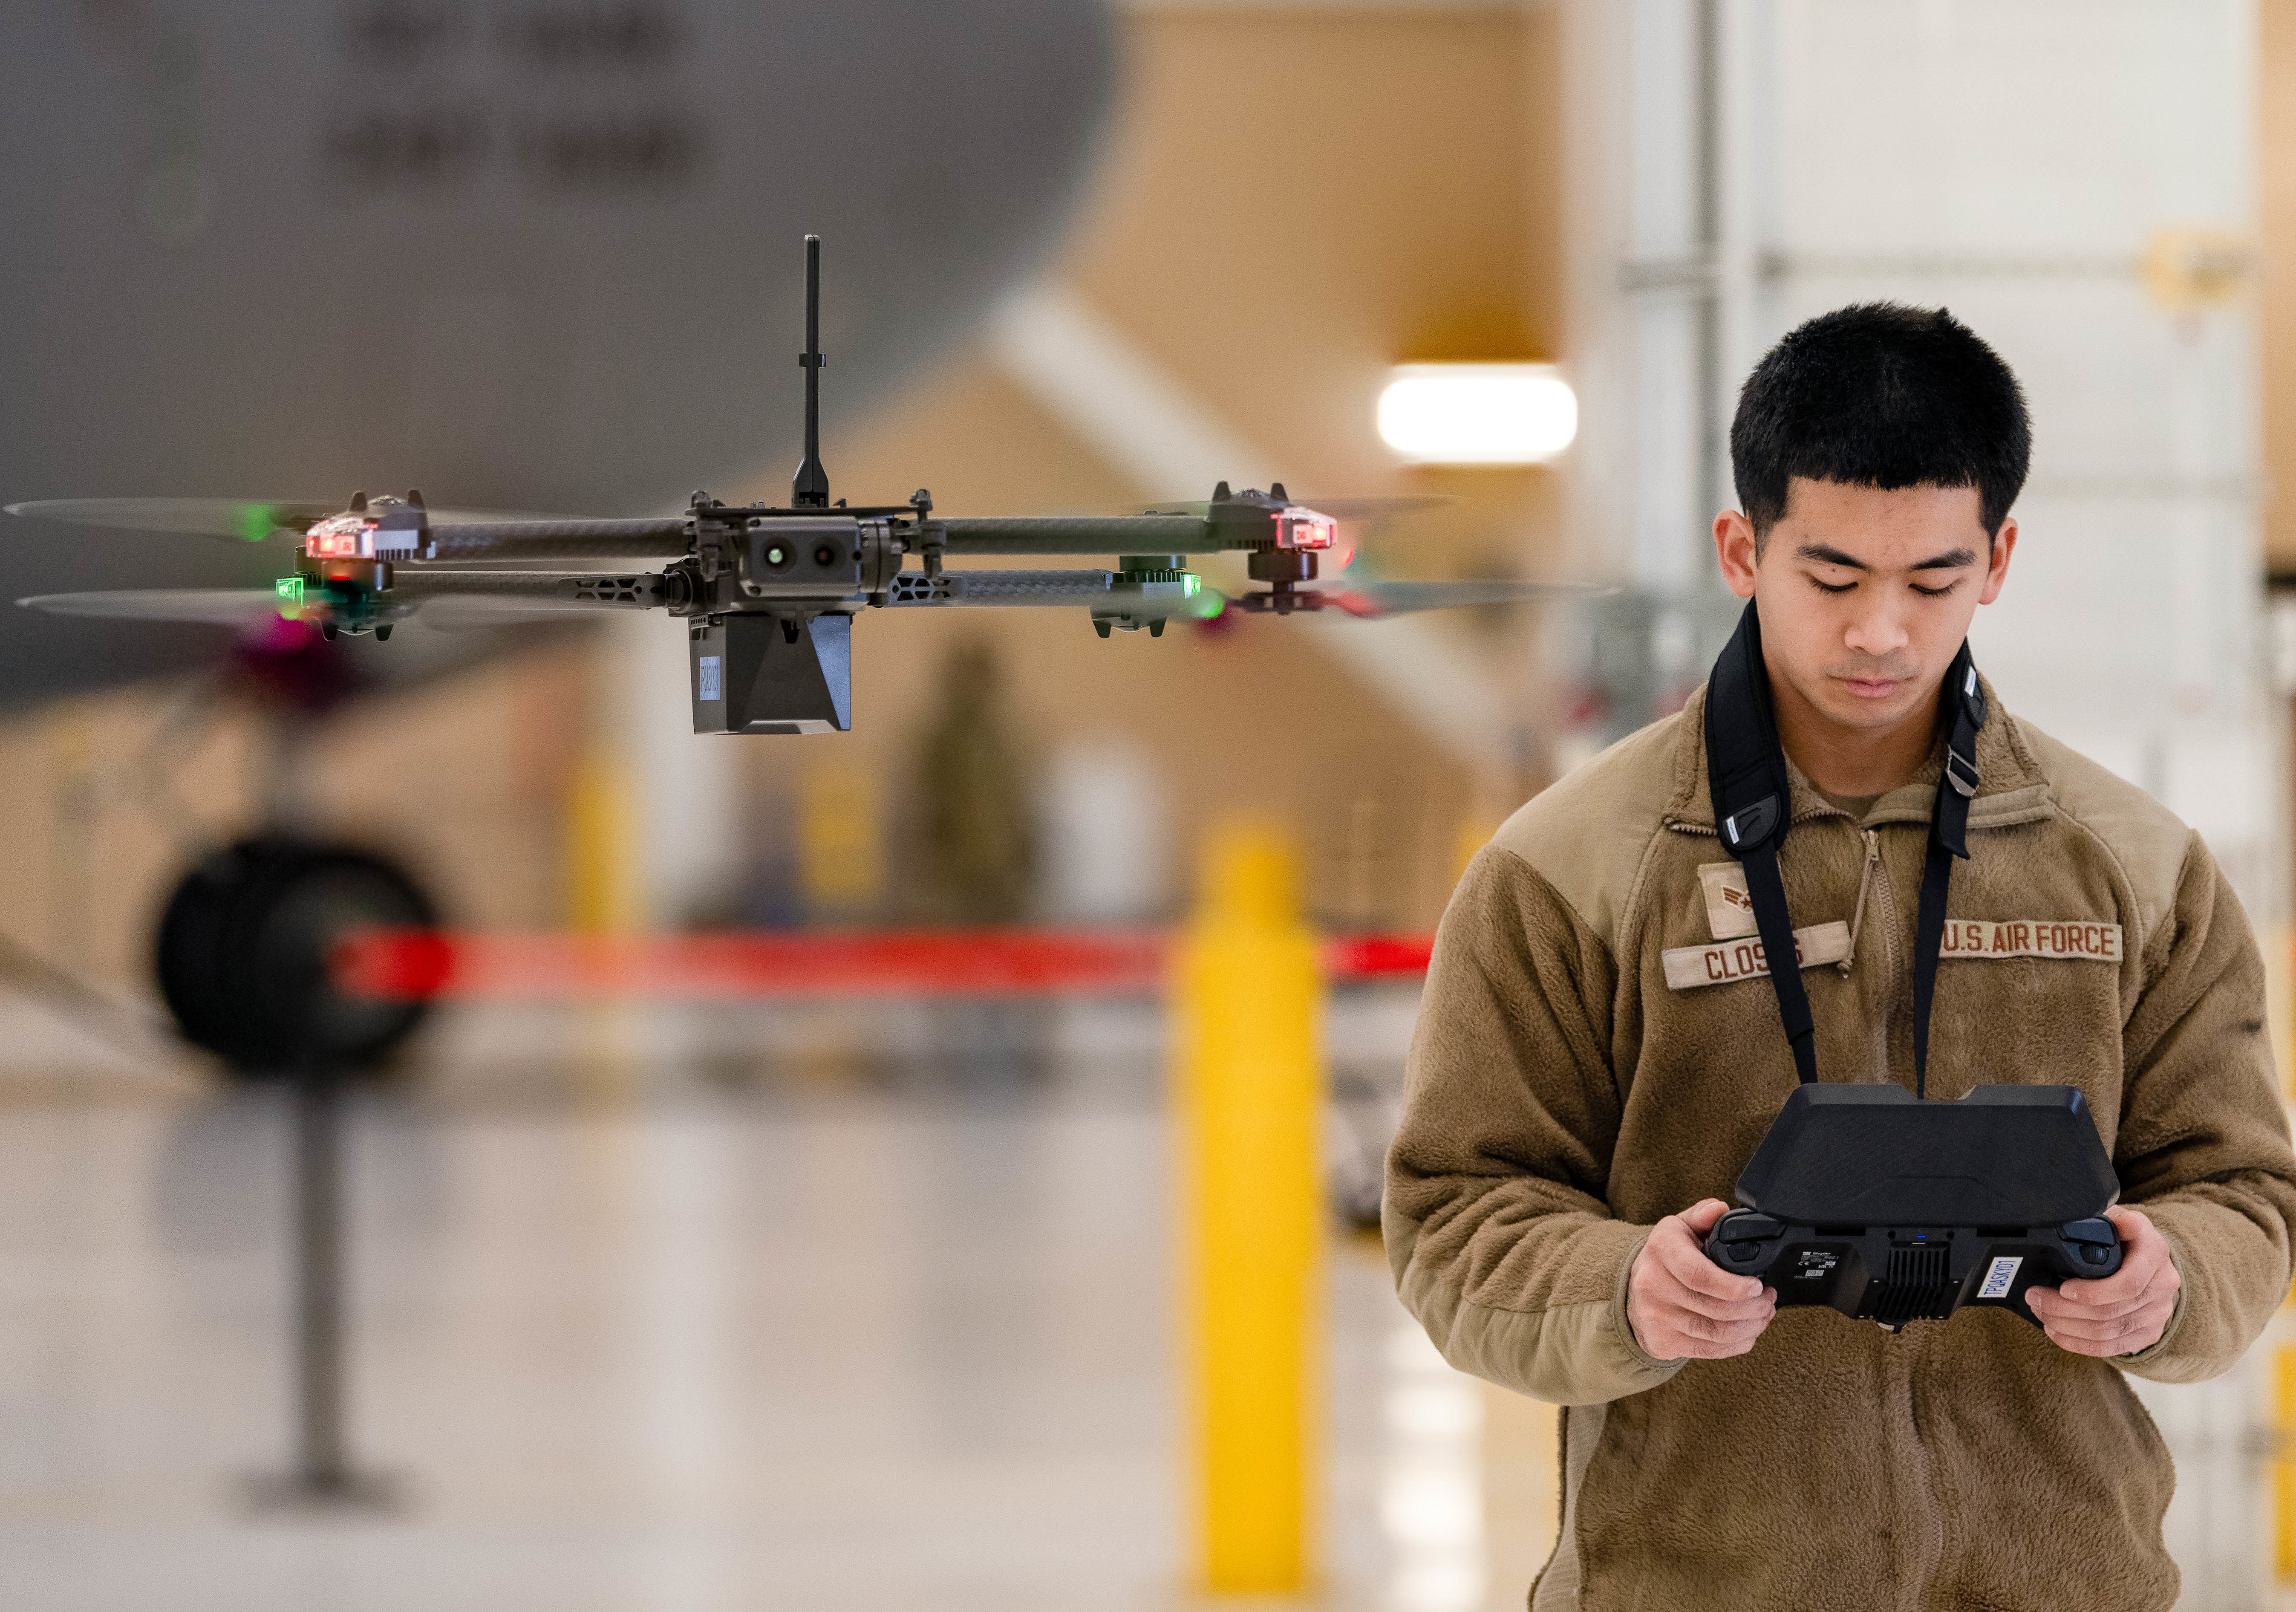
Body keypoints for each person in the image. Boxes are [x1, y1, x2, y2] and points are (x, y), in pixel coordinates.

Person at [1385, 303, 2296, 1611]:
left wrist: (2169, 1281)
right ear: (1741, 550)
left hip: (2059, 1585)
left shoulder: (2134, 869)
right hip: (1690, 1584)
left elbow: (2242, 1192)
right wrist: (1622, 1290)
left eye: (1931, 580)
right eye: (1832, 578)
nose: (1881, 632)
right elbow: (1456, 1210)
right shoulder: (1569, 868)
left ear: (1997, 560)